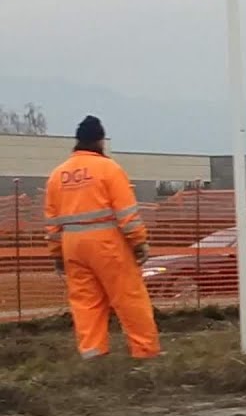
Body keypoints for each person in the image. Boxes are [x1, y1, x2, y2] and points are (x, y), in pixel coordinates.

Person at [43, 115, 161, 359]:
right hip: (107, 243)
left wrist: (57, 254)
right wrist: (138, 241)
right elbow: (126, 213)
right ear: (100, 141)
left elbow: (52, 223)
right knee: (128, 297)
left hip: (72, 247)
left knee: (86, 301)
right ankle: (145, 351)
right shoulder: (109, 169)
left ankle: (93, 353)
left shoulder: (57, 175)